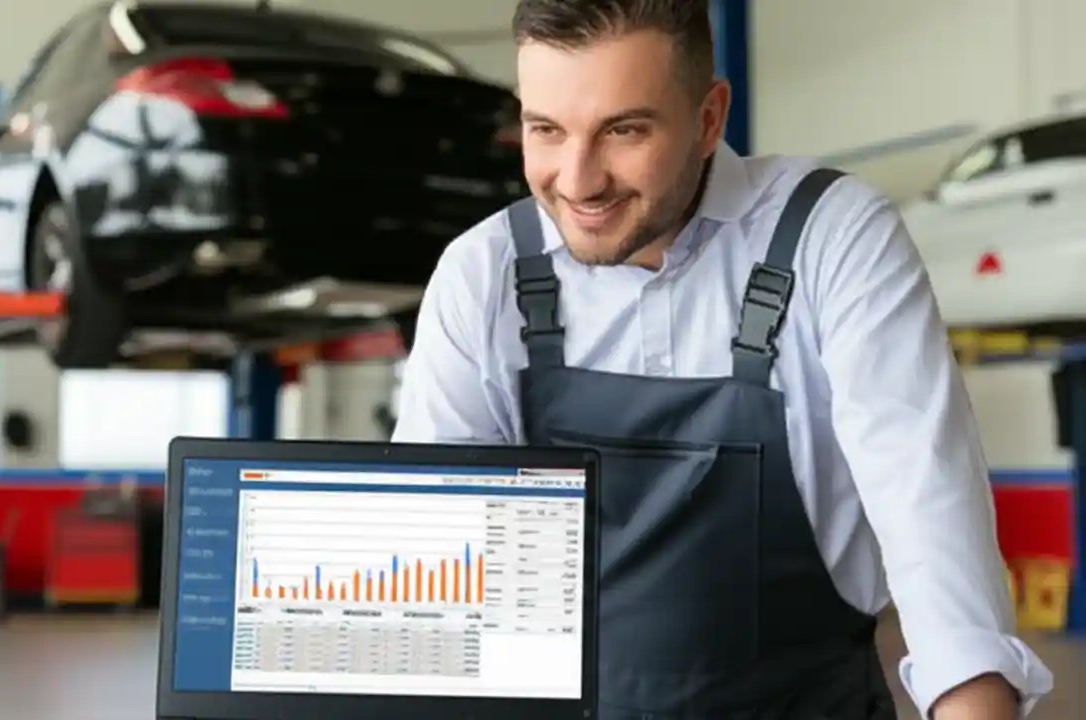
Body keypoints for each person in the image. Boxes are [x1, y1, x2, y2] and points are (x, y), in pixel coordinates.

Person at [391, 1, 1054, 718]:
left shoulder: (830, 240)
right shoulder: (483, 274)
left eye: (624, 131)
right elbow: (437, 582)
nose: (578, 181)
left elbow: (931, 524)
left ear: (710, 119)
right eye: (545, 130)